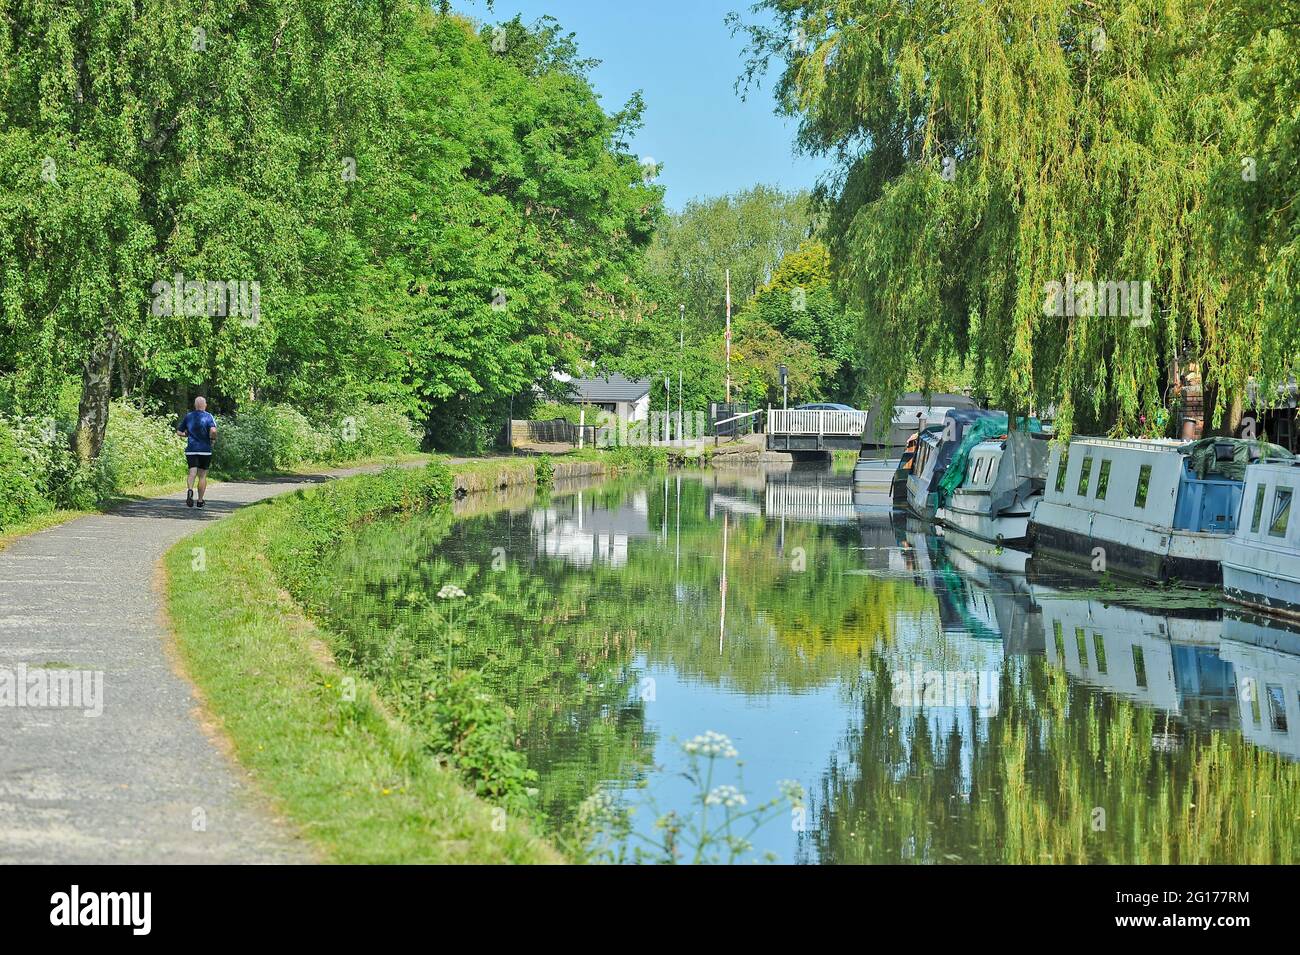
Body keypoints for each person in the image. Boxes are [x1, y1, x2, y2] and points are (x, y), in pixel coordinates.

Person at [177, 397, 217, 508]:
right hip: (205, 450)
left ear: (195, 405)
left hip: (191, 450)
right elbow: (213, 430)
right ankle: (200, 500)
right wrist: (212, 440)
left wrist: (187, 434)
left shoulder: (188, 416)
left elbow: (179, 432)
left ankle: (190, 490)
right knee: (202, 476)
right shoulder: (208, 416)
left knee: (192, 472)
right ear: (205, 405)